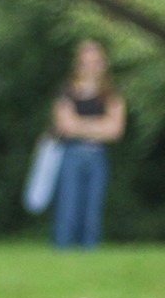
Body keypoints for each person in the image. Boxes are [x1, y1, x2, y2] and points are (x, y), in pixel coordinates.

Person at [49, 40, 126, 249]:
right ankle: (62, 253)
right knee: (68, 209)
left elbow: (115, 129)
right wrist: (99, 125)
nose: (90, 67)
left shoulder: (110, 93)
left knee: (92, 211)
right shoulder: (66, 91)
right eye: (86, 62)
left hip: (98, 155)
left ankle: (89, 253)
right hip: (71, 154)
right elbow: (65, 126)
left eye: (95, 62)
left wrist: (81, 124)